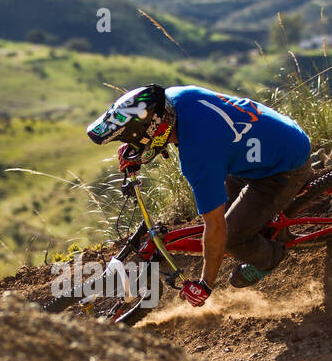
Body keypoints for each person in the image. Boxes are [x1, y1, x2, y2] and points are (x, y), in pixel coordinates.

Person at [86, 84, 312, 307]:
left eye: (135, 141)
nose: (132, 146)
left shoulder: (199, 157)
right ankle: (260, 227)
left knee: (231, 238)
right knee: (237, 215)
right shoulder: (173, 98)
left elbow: (215, 227)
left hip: (283, 167)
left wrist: (205, 284)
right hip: (276, 135)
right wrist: (135, 148)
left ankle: (270, 259)